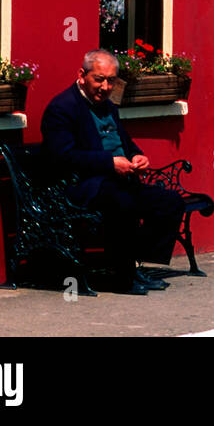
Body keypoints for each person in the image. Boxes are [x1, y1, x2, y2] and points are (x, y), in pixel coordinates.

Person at [41, 50, 185, 295]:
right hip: (83, 184)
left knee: (169, 202)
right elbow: (63, 157)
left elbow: (124, 142)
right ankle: (123, 276)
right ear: (82, 75)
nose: (105, 86)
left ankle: (135, 264)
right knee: (123, 203)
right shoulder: (62, 108)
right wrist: (109, 163)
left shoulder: (108, 106)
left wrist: (138, 157)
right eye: (99, 79)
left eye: (111, 80)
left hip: (117, 179)